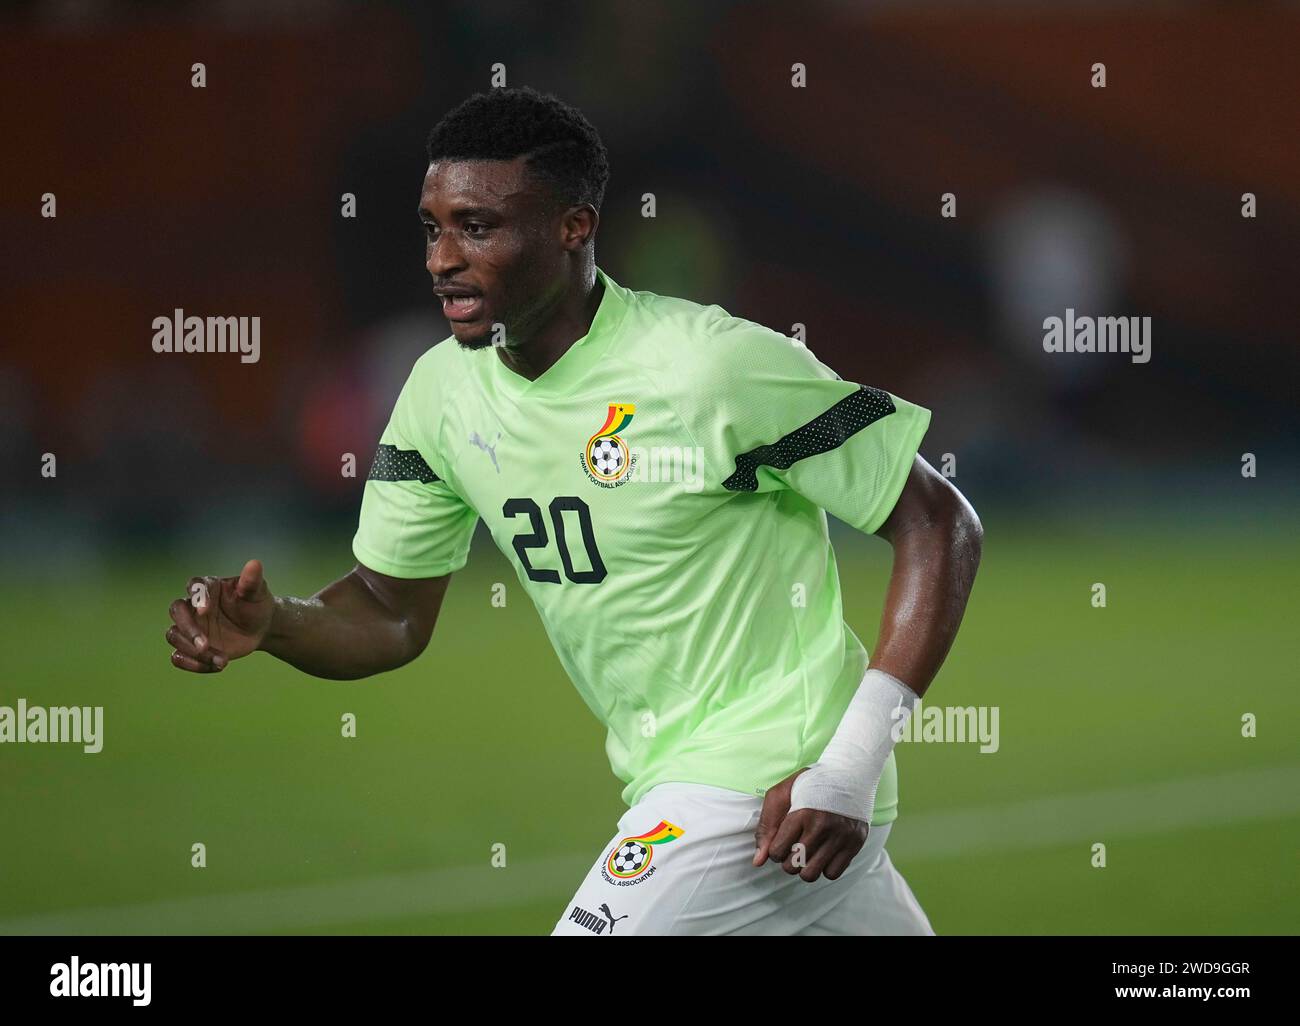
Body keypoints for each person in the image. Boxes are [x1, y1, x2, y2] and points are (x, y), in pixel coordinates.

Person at [165, 86, 983, 935]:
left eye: (476, 227)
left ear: (573, 227)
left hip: (770, 782)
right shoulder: (440, 393)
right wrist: (277, 625)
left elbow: (939, 522)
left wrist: (852, 761)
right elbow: (387, 611)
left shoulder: (711, 368)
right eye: (432, 226)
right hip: (697, 779)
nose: (442, 257)